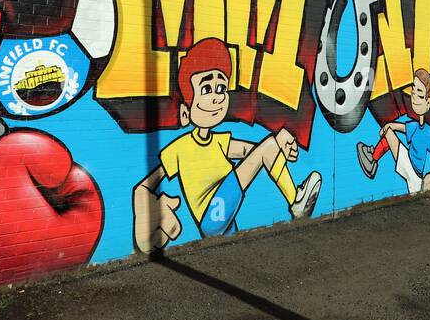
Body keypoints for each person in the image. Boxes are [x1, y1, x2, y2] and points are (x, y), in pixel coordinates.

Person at [132, 38, 321, 252]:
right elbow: (144, 185)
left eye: (221, 88)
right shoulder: (179, 150)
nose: (217, 98)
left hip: (219, 215)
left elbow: (252, 152)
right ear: (186, 113)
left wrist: (277, 147)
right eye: (206, 89)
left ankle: (295, 201)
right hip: (211, 215)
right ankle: (295, 201)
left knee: (233, 255)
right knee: (270, 145)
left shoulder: (220, 142)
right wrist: (145, 210)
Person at [357, 67, 430, 193]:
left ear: (427, 103)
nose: (414, 97)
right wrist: (390, 125)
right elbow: (402, 128)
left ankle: (372, 160)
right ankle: (373, 158)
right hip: (409, 165)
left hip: (413, 172)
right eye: (413, 91)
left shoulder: (429, 132)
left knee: (389, 134)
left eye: (419, 94)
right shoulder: (415, 126)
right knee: (389, 132)